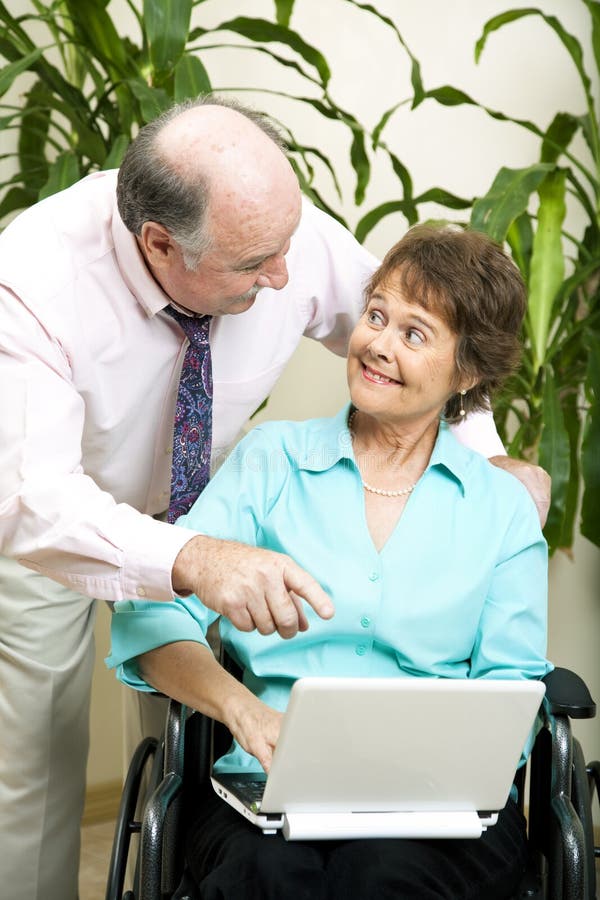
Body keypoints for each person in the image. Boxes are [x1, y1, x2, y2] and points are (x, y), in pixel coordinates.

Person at [0, 93, 548, 899]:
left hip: (206, 495)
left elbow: (431, 328)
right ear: (162, 245)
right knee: (37, 762)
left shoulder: (277, 229)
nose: (289, 276)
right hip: (62, 521)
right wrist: (198, 576)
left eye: (288, 245)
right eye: (257, 264)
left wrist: (498, 471)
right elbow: (31, 496)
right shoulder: (36, 277)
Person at [108, 224, 552, 900]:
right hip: (267, 789)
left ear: (467, 371)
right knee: (269, 880)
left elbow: (513, 687)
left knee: (383, 879)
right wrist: (240, 710)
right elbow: (149, 617)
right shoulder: (271, 462)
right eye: (377, 315)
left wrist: (441, 773)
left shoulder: (501, 508)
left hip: (439, 808)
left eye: (415, 332)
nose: (377, 343)